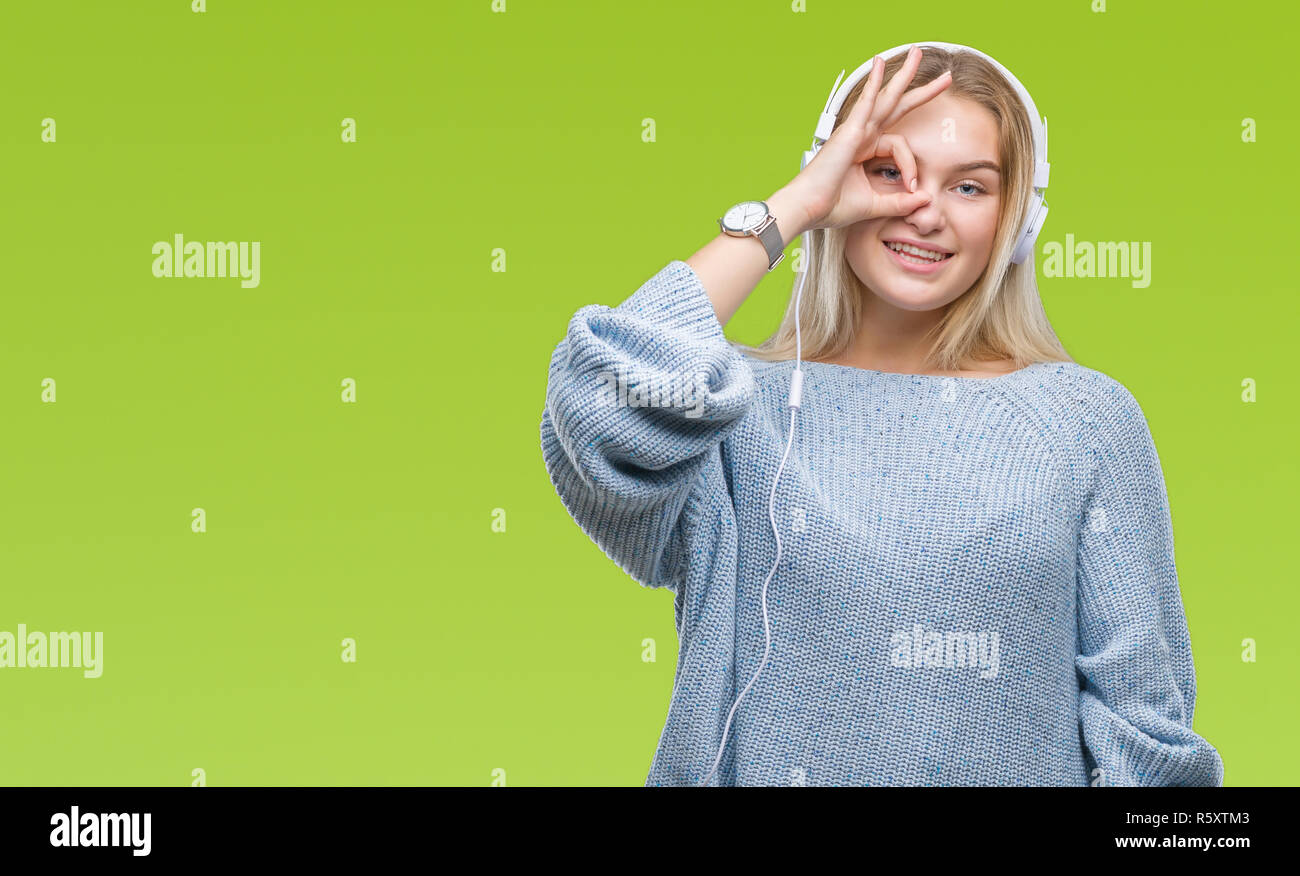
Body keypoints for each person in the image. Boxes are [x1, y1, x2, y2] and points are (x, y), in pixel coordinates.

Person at [539, 44, 1224, 786]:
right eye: (889, 172)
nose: (923, 210)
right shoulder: (732, 407)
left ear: (1017, 219)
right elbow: (597, 399)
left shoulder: (1085, 420)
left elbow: (1147, 745)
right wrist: (793, 209)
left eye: (969, 186)